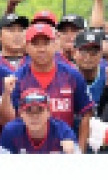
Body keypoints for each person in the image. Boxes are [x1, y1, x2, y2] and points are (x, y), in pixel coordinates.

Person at [10, 23, 94, 152]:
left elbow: (86, 114)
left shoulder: (72, 75)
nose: (41, 49)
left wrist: (80, 150)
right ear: (26, 47)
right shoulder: (18, 78)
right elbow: (11, 119)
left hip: (64, 147)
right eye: (35, 44)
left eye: (46, 43)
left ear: (55, 44)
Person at [0, 89, 78, 154]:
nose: (35, 116)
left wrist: (70, 154)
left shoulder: (64, 132)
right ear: (20, 113)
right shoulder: (10, 131)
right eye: (29, 110)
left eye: (40, 110)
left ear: (49, 112)